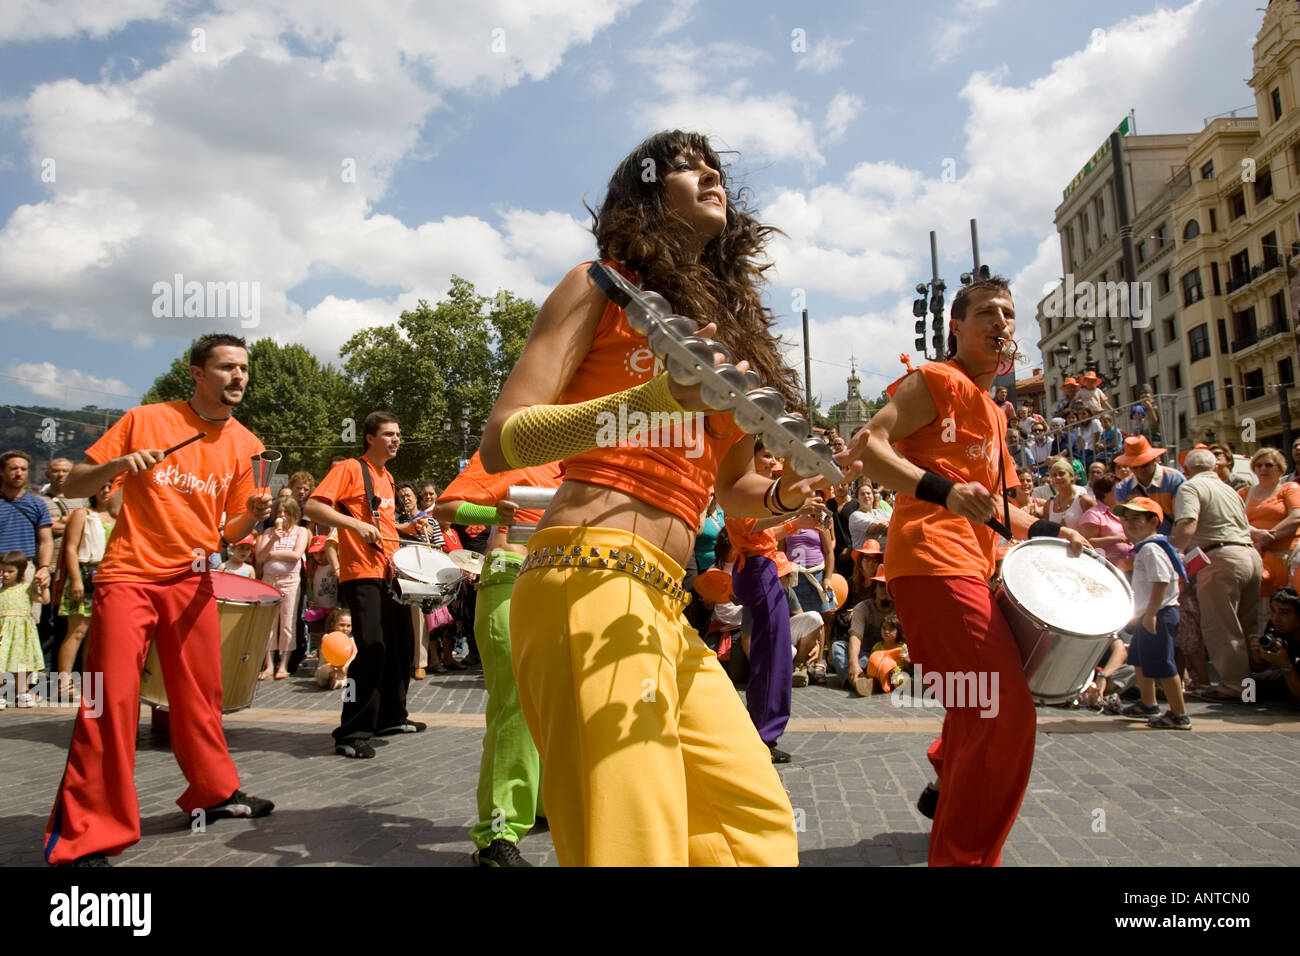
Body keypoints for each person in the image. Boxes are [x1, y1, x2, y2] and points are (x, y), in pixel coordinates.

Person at [477, 130, 804, 866]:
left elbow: (733, 490)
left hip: (665, 601)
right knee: (635, 845)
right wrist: (653, 398)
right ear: (648, 192)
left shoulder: (728, 342)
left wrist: (786, 498)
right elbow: (502, 441)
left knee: (750, 829)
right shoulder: (600, 286)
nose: (711, 172)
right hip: (585, 575)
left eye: (712, 163)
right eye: (686, 165)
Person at [837, 274, 1090, 866]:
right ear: (955, 326)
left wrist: (1053, 530)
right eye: (986, 313)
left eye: (1009, 313)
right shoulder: (937, 380)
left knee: (980, 699)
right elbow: (868, 444)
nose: (1002, 322)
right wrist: (943, 492)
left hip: (975, 567)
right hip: (931, 563)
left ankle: (949, 771)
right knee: (1003, 714)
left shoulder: (998, 412)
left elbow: (1001, 509)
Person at [44, 333, 275, 867]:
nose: (238, 377)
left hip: (193, 579)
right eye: (225, 368)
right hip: (128, 577)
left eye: (243, 368)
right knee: (111, 704)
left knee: (202, 698)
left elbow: (226, 531)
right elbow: (74, 485)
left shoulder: (247, 444)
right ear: (196, 373)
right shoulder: (146, 418)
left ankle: (214, 794)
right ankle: (90, 833)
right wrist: (120, 464)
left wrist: (255, 514)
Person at [435, 453, 562, 866]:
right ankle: (497, 835)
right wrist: (492, 511)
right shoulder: (514, 450)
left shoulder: (582, 462)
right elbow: (446, 508)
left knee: (553, 704)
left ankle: (543, 804)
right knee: (517, 704)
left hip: (561, 585)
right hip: (509, 577)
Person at [305, 412, 429, 758]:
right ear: (369, 438)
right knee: (371, 647)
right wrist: (353, 525)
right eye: (389, 434)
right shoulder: (348, 469)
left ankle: (391, 716)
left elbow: (381, 522)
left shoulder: (387, 477)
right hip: (361, 573)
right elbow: (314, 506)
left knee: (401, 645)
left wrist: (405, 531)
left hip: (390, 571)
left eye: (398, 434)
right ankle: (351, 730)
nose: (396, 439)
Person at [724, 442, 806, 760]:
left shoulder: (758, 491)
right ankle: (763, 735)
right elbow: (750, 525)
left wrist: (796, 522)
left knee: (774, 651)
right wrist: (796, 511)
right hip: (756, 570)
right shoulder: (738, 488)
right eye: (766, 455)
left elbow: (762, 529)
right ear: (751, 459)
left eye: (774, 454)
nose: (773, 460)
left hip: (762, 568)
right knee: (772, 653)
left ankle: (763, 731)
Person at [1171, 447, 1260, 703]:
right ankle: (1250, 688)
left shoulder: (1190, 487)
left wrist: (1174, 550)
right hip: (1249, 555)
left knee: (1222, 627)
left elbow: (1188, 523)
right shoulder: (1230, 489)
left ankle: (1234, 687)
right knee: (1245, 626)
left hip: (1220, 559)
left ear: (1186, 470)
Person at [1113, 497, 1189, 729]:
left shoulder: (1151, 549)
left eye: (1136, 519)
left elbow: (1161, 581)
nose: (1129, 524)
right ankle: (1148, 703)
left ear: (1153, 521)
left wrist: (1151, 614)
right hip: (1151, 612)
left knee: (1162, 664)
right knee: (1139, 658)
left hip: (1158, 613)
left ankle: (1179, 714)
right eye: (1126, 520)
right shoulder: (1148, 547)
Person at [55, 483, 118, 701]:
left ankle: (90, 683)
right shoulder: (82, 514)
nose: (106, 489)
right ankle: (63, 683)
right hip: (84, 574)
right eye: (102, 485)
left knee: (96, 636)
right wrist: (75, 580)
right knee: (77, 631)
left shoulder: (119, 516)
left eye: (111, 486)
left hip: (110, 578)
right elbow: (71, 548)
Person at [1239, 447, 1300, 633]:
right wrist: (1257, 534)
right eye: (1258, 465)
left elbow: (1296, 517)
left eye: (1268, 465)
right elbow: (1234, 521)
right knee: (1259, 611)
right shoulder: (1243, 493)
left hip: (1286, 558)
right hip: (1255, 558)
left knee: (1286, 608)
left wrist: (1269, 535)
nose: (1263, 469)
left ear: (1280, 468)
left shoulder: (1290, 488)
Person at [37, 457, 87, 673]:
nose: (61, 475)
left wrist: (62, 525)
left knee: (67, 625)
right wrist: (67, 525)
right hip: (48, 569)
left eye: (66, 470)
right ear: (48, 475)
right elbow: (43, 531)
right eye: (56, 471)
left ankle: (66, 672)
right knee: (44, 622)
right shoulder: (39, 501)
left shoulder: (84, 500)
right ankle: (42, 669)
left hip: (74, 571)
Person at [256, 497, 309, 680]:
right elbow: (260, 557)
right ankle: (269, 665)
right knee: (269, 623)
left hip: (290, 580)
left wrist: (272, 554)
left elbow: (295, 555)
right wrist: (272, 542)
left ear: (293, 514)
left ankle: (284, 664)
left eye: (286, 512)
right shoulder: (268, 532)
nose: (282, 515)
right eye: (279, 512)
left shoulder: (301, 531)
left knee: (287, 623)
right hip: (269, 580)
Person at [0, 451, 53, 619]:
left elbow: (46, 541)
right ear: (2, 471)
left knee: (26, 619)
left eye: (23, 469)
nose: (19, 473)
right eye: (13, 468)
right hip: (1, 565)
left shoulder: (37, 504)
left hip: (25, 568)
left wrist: (44, 568)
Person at [1113, 436, 1184, 536]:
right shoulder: (1122, 488)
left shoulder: (1175, 479)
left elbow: (1182, 519)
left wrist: (1173, 548)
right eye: (1135, 467)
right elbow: (1127, 526)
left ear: (1154, 460)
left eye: (1144, 465)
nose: (1140, 471)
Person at [0, 551, 44, 708]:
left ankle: (22, 692)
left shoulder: (26, 588)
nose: (5, 575)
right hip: (4, 631)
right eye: (2, 570)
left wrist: (43, 587)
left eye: (10, 571)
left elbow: (44, 600)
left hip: (21, 633)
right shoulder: (0, 590)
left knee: (22, 664)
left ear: (20, 571)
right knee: (1, 662)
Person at [1252, 587, 1300, 704]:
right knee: (1247, 683)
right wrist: (1257, 655)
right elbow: (1260, 668)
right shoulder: (1274, 627)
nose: (1276, 618)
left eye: (1284, 613)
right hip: (1289, 676)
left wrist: (1286, 666)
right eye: (1273, 611)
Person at [1078, 474, 1133, 569]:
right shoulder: (1093, 515)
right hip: (1108, 569)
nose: (1123, 492)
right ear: (1105, 493)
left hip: (1132, 566)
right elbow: (1086, 543)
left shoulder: (1126, 511)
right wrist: (1119, 539)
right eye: (1118, 489)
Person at [862, 611, 910, 694]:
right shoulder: (877, 646)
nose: (886, 631)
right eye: (884, 628)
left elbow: (909, 666)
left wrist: (907, 660)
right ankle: (870, 685)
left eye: (891, 629)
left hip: (895, 675)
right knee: (871, 678)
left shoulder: (902, 647)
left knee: (900, 678)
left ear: (898, 632)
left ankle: (902, 687)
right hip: (878, 676)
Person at [1044, 457, 1095, 531]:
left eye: (1061, 474)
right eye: (1054, 475)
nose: (1057, 477)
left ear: (1072, 477)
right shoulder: (1049, 505)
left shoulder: (1084, 500)